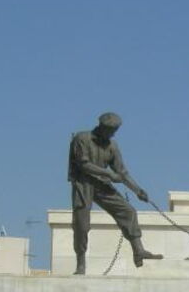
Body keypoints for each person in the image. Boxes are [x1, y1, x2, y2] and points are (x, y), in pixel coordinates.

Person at [68, 112, 162, 274]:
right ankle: (81, 263)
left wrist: (137, 190)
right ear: (102, 127)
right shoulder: (82, 138)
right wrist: (109, 175)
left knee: (128, 211)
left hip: (102, 184)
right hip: (84, 184)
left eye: (115, 131)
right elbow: (84, 165)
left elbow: (122, 171)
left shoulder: (112, 146)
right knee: (82, 224)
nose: (113, 134)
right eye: (111, 130)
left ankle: (138, 250)